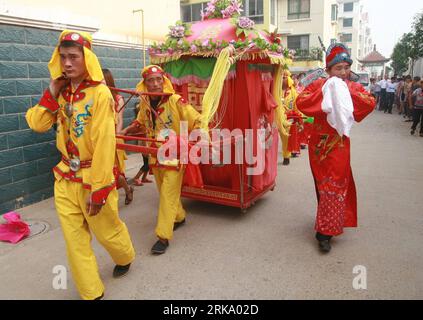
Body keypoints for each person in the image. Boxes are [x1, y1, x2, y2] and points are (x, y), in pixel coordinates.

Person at [25, 30, 135, 299]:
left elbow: (105, 145)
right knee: (74, 240)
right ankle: (91, 292)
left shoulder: (100, 95)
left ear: (87, 59)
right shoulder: (60, 92)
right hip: (64, 179)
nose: (67, 63)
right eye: (62, 57)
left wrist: (99, 190)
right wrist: (51, 91)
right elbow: (38, 124)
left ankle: (125, 255)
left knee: (107, 231)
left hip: (93, 177)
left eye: (73, 57)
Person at [296, 43, 375, 253]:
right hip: (318, 148)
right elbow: (300, 102)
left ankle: (324, 233)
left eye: (345, 68)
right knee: (323, 187)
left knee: (335, 185)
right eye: (338, 68)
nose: (343, 72)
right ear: (328, 69)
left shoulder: (352, 86)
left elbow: (369, 103)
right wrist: (327, 93)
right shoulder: (319, 86)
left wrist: (345, 92)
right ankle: (328, 220)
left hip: (339, 147)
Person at [121, 65, 202, 255]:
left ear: (164, 81)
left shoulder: (175, 100)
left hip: (174, 157)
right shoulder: (144, 102)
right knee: (165, 193)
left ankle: (163, 236)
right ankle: (179, 217)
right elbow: (140, 122)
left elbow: (197, 119)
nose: (155, 84)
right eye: (151, 80)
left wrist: (199, 136)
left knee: (167, 196)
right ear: (145, 83)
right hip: (155, 157)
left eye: (158, 80)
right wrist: (125, 131)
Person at [102, 68, 134, 205]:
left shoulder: (117, 98)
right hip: (100, 138)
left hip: (114, 137)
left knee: (115, 171)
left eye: (101, 79)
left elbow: (119, 119)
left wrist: (116, 134)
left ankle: (127, 189)